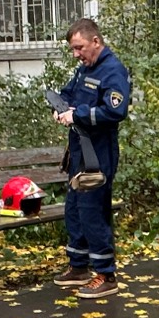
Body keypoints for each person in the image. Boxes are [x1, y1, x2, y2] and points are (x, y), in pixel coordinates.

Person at [52, 18, 130, 299]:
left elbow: (115, 111)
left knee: (92, 210)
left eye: (79, 48)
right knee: (74, 207)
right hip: (79, 150)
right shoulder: (84, 70)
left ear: (95, 42)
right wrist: (60, 106)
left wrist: (79, 114)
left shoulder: (113, 70)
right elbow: (69, 92)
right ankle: (79, 266)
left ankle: (106, 275)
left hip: (98, 151)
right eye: (73, 49)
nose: (76, 54)